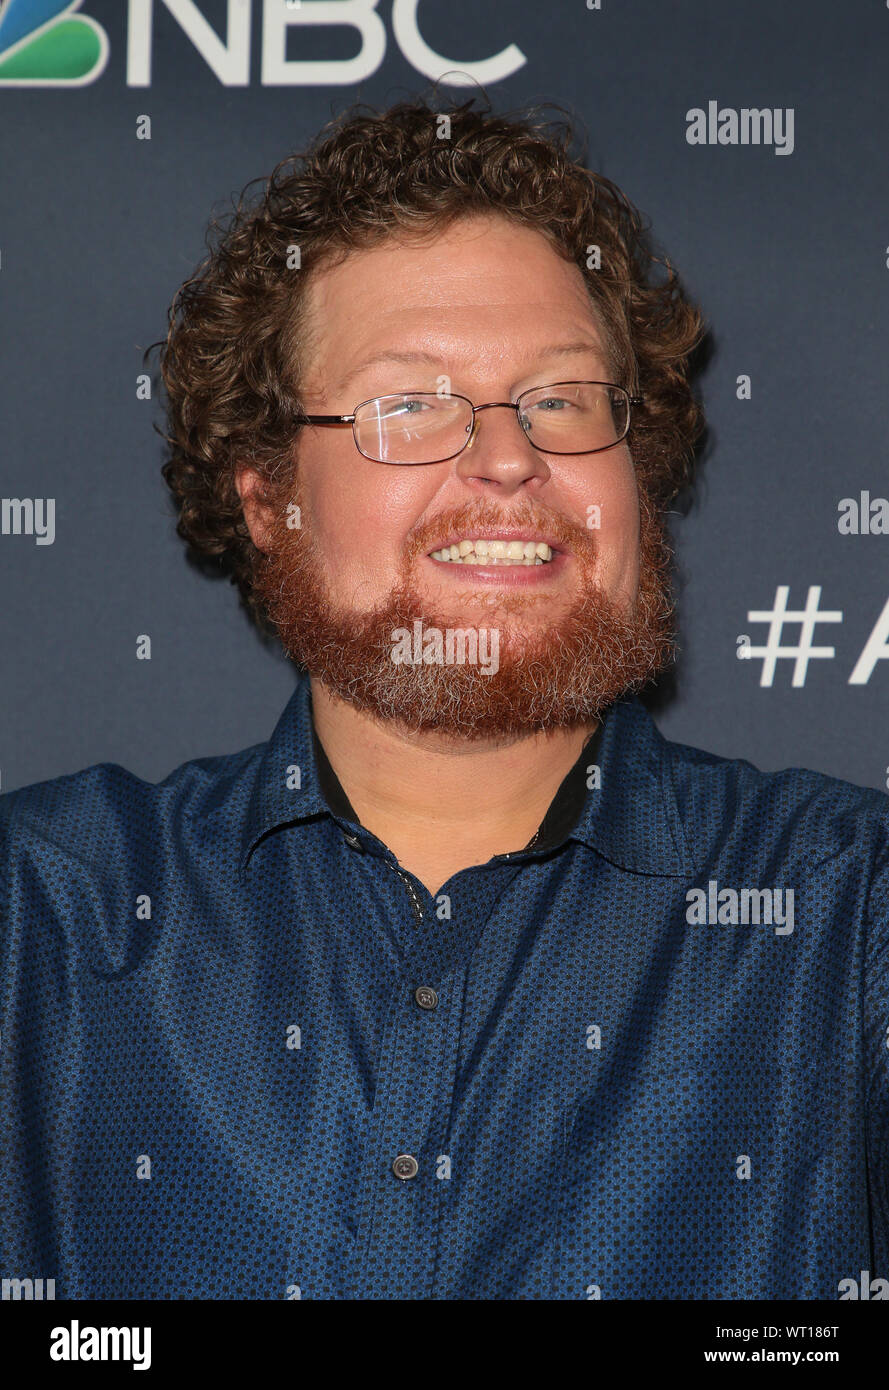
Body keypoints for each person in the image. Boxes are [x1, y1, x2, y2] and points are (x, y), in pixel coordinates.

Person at [1, 95, 887, 1302]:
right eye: (407, 405)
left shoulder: (846, 913)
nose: (508, 457)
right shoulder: (45, 918)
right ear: (268, 496)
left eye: (564, 398)